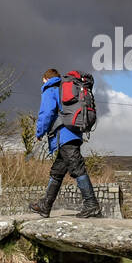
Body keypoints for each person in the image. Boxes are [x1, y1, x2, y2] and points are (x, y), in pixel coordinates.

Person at [28, 68, 101, 218]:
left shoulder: (51, 88)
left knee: (76, 167)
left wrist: (39, 132)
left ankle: (91, 204)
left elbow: (46, 112)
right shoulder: (64, 87)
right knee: (57, 171)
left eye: (43, 81)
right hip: (73, 133)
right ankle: (45, 205)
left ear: (46, 79)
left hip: (64, 135)